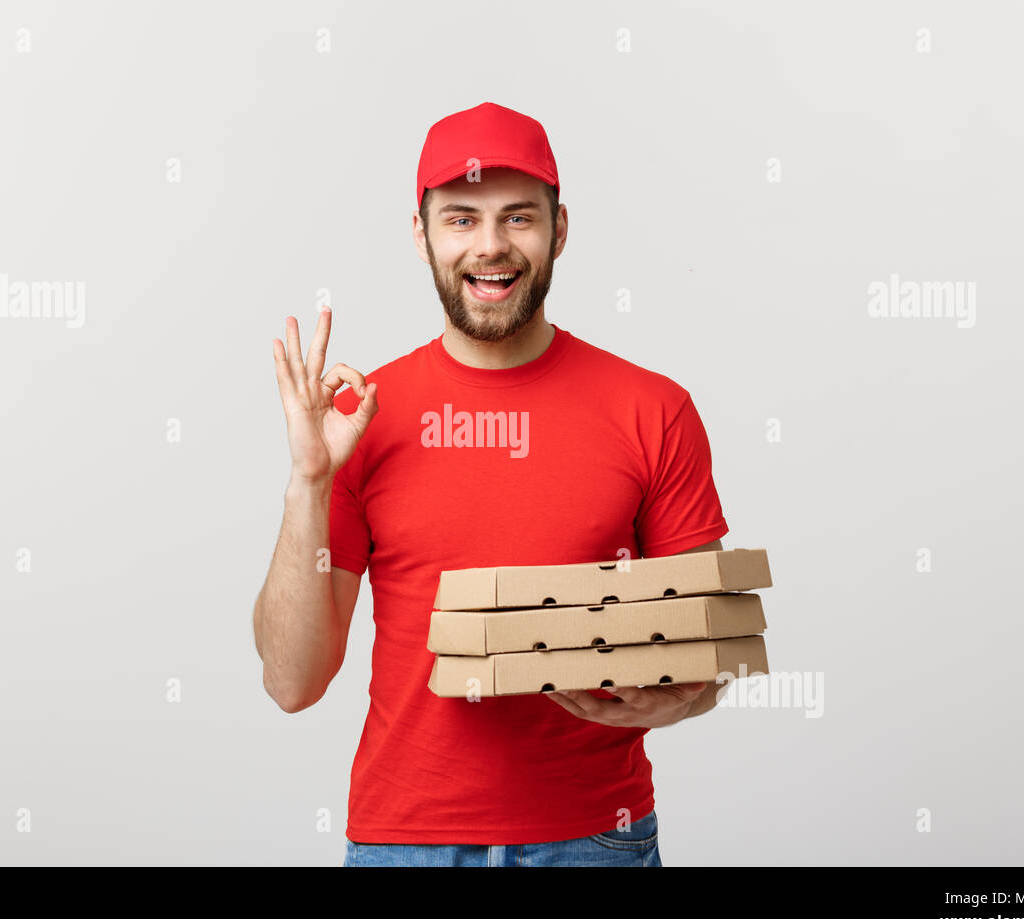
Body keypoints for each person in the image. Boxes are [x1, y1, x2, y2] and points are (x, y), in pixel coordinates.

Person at [254, 102, 730, 867]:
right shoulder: (359, 419)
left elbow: (710, 657)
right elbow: (290, 682)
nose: (490, 246)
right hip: (402, 843)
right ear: (422, 236)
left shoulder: (653, 410)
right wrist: (308, 482)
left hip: (594, 842)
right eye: (461, 219)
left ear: (560, 230)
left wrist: (682, 697)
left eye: (518, 218)